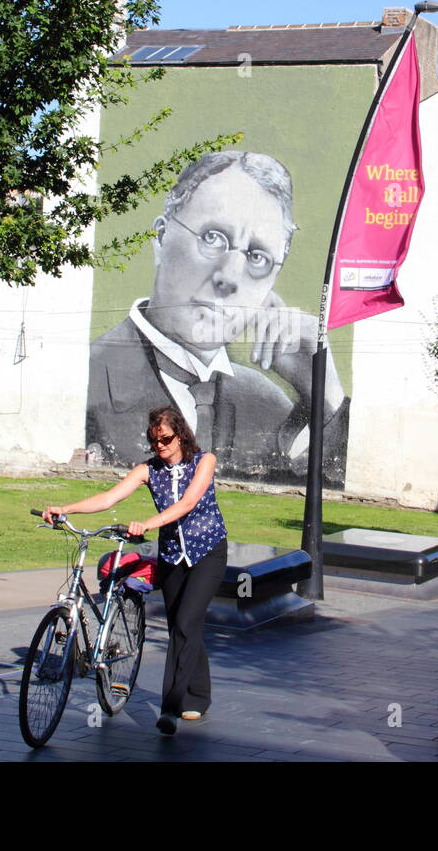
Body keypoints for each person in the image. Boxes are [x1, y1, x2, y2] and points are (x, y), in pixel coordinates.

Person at [87, 151, 350, 483]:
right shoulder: (87, 375)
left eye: (258, 257)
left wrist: (325, 398)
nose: (231, 277)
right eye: (212, 238)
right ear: (161, 237)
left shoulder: (265, 402)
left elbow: (308, 495)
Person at [43, 406, 229, 736]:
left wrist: (147, 524)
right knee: (181, 625)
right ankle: (199, 695)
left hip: (208, 553)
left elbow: (187, 504)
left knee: (186, 623)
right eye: (154, 440)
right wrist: (65, 508)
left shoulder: (205, 461)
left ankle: (170, 708)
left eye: (166, 439)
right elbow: (109, 497)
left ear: (181, 434)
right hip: (173, 556)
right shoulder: (148, 470)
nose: (160, 446)